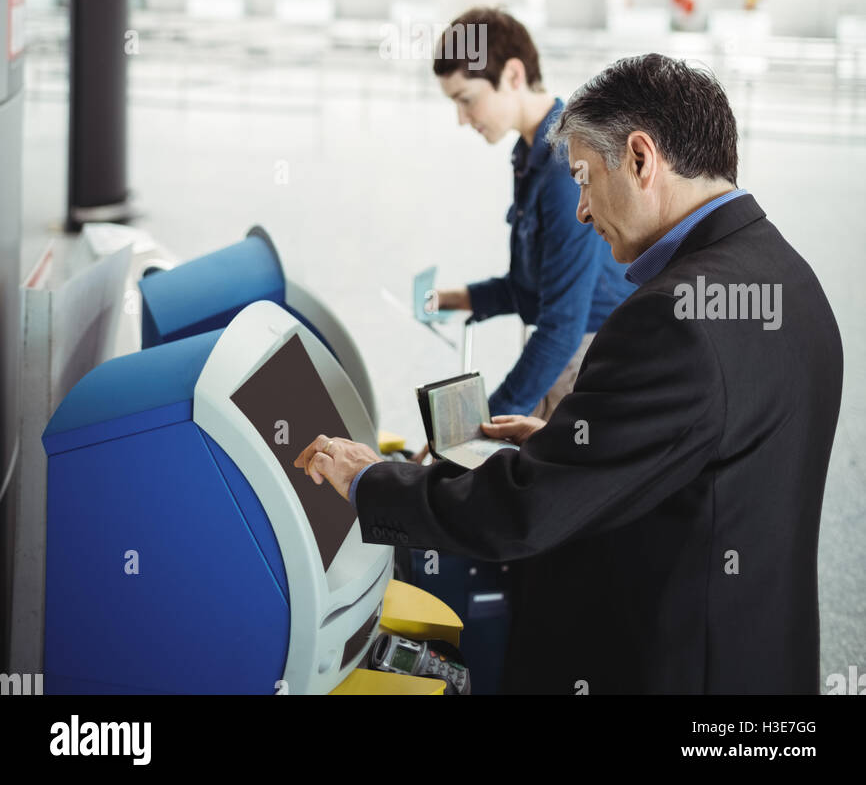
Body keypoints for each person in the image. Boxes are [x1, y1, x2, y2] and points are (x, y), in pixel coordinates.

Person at [295, 54, 843, 695]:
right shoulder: (788, 275)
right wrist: (572, 445)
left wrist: (369, 481)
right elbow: (711, 462)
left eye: (585, 179)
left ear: (641, 159)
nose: (582, 210)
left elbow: (521, 513)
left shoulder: (672, 320)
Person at [427, 7, 633, 422]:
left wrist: (479, 427)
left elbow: (561, 329)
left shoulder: (564, 165)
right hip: (562, 354)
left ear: (513, 76)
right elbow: (530, 289)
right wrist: (456, 298)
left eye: (466, 100)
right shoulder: (529, 155)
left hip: (587, 364)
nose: (462, 119)